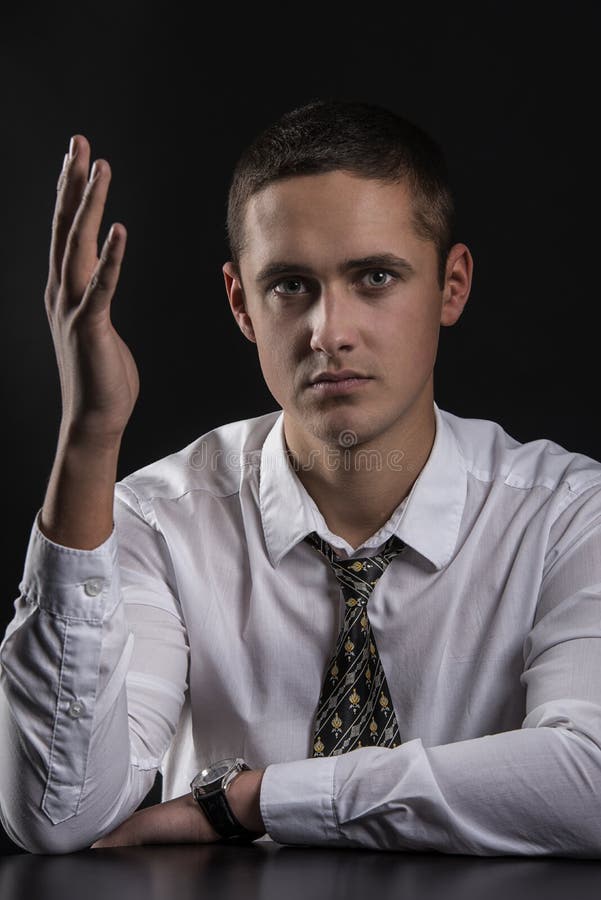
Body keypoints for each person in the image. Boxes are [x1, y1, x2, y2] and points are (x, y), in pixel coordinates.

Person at [1, 98, 601, 857]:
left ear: (451, 286)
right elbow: (58, 816)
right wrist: (89, 439)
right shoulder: (157, 522)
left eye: (375, 277)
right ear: (240, 304)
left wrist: (257, 799)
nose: (329, 332)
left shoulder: (568, 515)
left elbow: (590, 779)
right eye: (289, 285)